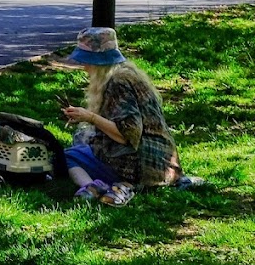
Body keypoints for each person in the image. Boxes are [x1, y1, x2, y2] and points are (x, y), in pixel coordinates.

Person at [58, 27, 184, 205]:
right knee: (82, 138)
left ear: (98, 62)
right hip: (163, 164)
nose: (84, 67)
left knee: (66, 156)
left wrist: (90, 117)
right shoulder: (128, 74)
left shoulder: (118, 83)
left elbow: (129, 135)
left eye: (86, 61)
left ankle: (92, 187)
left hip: (141, 166)